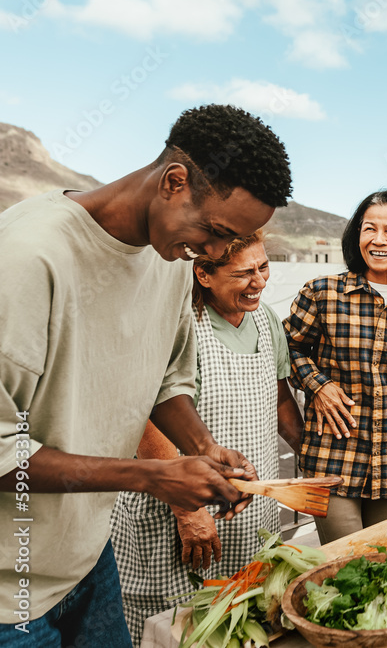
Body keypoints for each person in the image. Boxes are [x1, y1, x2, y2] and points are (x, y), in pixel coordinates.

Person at [0, 104, 292, 645]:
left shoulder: (171, 259)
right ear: (173, 182)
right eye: (214, 231)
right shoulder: (25, 257)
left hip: (88, 560)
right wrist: (154, 477)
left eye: (229, 244)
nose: (211, 253)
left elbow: (166, 378)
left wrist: (201, 445)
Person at [110, 231, 303, 643]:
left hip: (249, 512)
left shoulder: (266, 319)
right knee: (173, 627)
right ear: (203, 273)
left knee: (242, 621)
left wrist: (311, 456)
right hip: (177, 512)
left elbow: (280, 400)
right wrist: (186, 510)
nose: (260, 281)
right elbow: (143, 416)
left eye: (264, 268)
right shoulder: (176, 321)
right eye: (244, 273)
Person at [285, 191, 387, 544]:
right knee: (345, 562)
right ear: (357, 235)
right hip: (333, 455)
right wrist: (317, 384)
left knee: (385, 561)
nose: (378, 240)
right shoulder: (322, 292)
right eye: (369, 229)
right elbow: (288, 348)